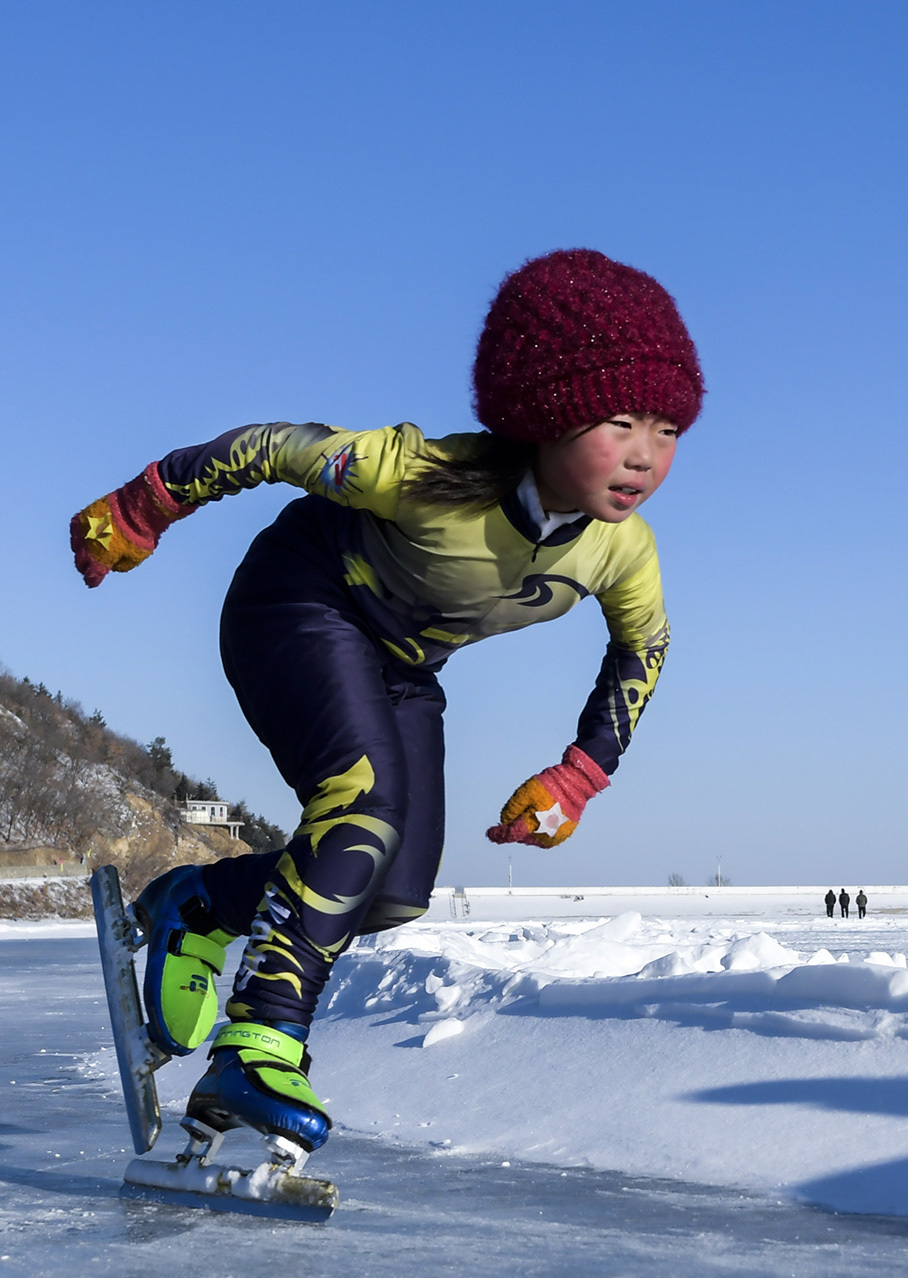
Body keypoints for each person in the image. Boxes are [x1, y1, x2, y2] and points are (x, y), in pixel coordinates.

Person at [70, 249, 704, 1161]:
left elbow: (643, 647)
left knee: (395, 889)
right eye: (619, 421)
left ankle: (203, 903)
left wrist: (577, 776)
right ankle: (260, 1043)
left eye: (668, 428)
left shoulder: (622, 550)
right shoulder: (420, 472)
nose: (646, 453)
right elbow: (275, 448)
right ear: (544, 415)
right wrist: (148, 503)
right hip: (298, 603)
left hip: (402, 667)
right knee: (359, 809)